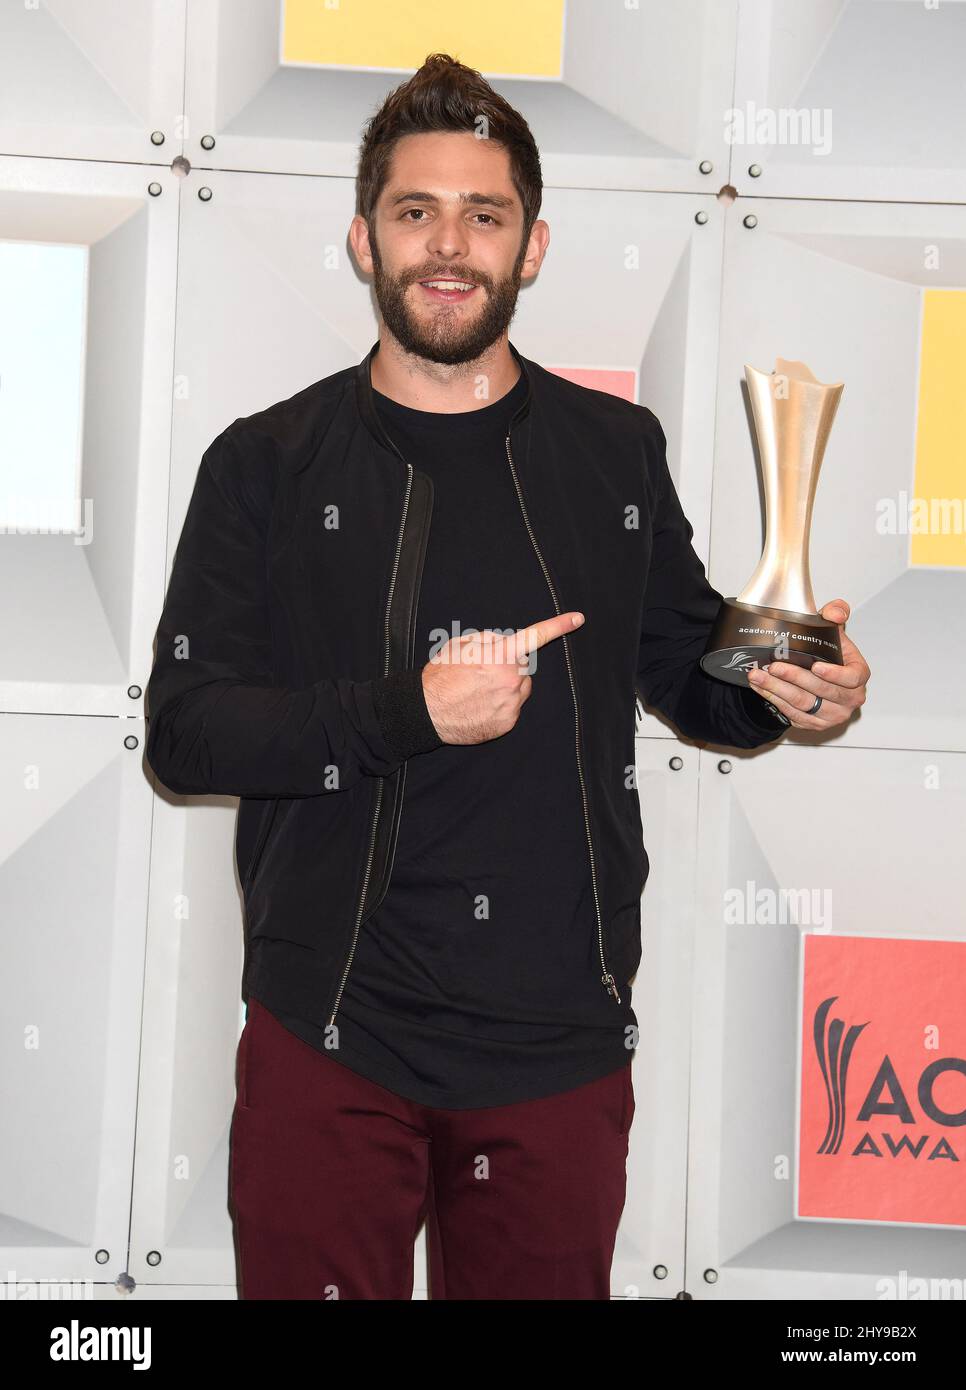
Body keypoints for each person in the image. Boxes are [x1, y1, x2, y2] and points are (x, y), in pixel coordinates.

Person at [145, 54, 870, 1301]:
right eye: (415, 210)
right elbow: (187, 735)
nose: (448, 245)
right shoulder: (265, 464)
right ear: (362, 239)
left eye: (484, 215)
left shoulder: (614, 454)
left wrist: (788, 686)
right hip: (331, 1041)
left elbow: (689, 667)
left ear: (533, 247)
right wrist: (403, 712)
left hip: (557, 1051)